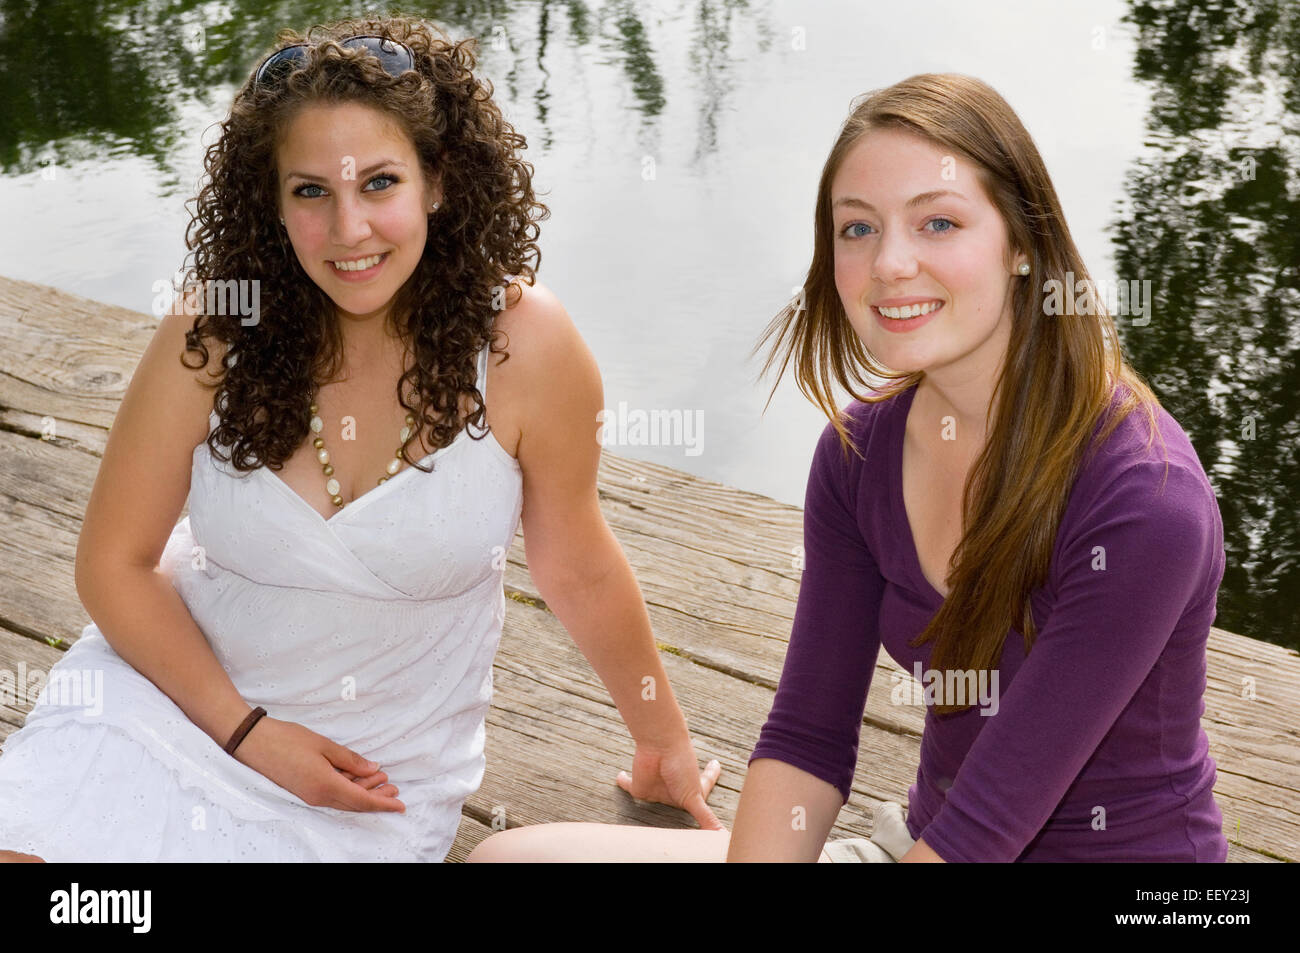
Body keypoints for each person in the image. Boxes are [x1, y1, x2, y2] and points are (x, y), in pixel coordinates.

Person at [0, 14, 722, 863]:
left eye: (379, 183)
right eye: (311, 191)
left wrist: (663, 745)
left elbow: (578, 564)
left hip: (367, 776)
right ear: (272, 203)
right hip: (169, 701)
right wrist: (250, 732)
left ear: (439, 181)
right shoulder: (217, 324)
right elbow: (112, 563)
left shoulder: (524, 345)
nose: (348, 230)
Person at [466, 72, 1229, 862]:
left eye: (938, 222)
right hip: (927, 840)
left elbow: (984, 834)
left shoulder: (1144, 502)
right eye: (858, 229)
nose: (890, 263)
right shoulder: (858, 457)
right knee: (508, 859)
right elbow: (808, 737)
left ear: (1024, 246)